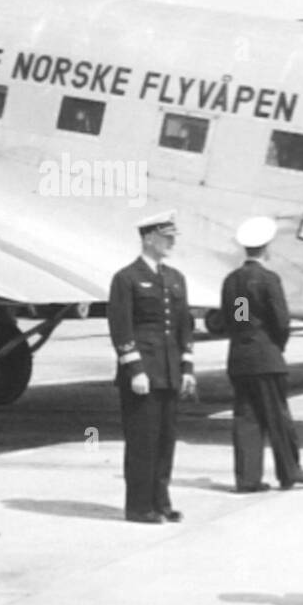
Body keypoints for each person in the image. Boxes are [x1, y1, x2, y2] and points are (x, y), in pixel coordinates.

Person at [107, 210, 196, 523]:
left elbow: (184, 325)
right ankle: (139, 506)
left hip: (169, 371)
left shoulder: (175, 278)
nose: (171, 242)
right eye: (165, 237)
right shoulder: (127, 278)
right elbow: (121, 327)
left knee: (164, 442)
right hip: (144, 373)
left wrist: (187, 368)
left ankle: (161, 501)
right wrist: (135, 369)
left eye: (172, 236)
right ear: (148, 238)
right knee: (142, 443)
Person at [219, 216, 303, 493]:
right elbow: (281, 321)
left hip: (240, 357)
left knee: (246, 418)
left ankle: (248, 479)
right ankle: (290, 472)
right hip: (266, 357)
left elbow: (238, 318)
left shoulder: (233, 281)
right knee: (277, 417)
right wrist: (276, 346)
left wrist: (247, 339)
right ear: (267, 248)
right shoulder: (268, 279)